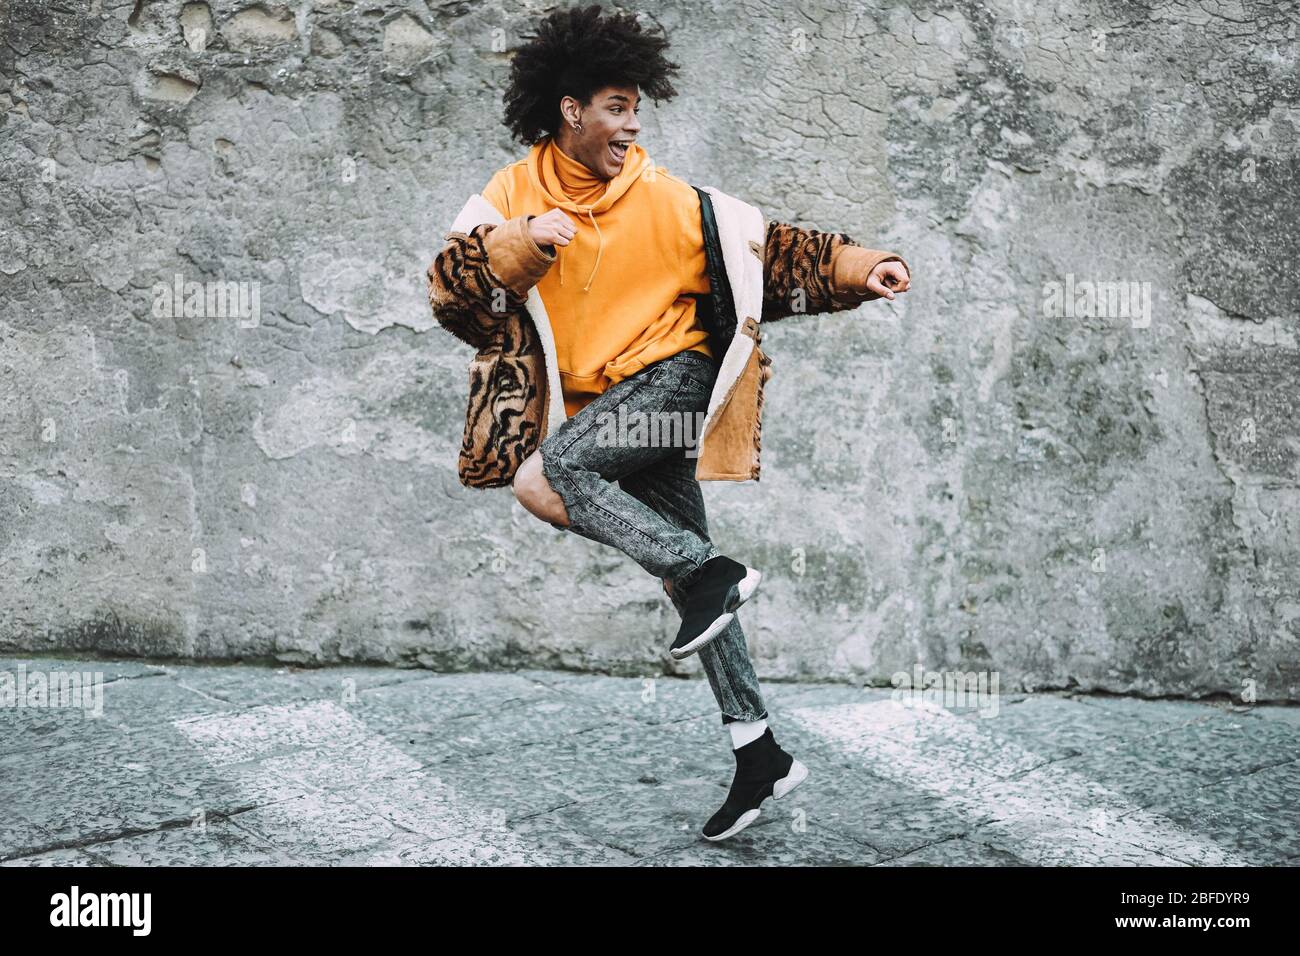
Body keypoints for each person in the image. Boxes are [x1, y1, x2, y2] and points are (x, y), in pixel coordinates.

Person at [427, 4, 911, 842]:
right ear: (570, 109)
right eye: (615, 105)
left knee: (544, 480)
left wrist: (863, 267)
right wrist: (521, 244)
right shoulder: (509, 193)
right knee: (700, 600)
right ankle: (760, 753)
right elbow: (449, 290)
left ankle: (709, 568)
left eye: (636, 106)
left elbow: (776, 250)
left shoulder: (668, 200)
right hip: (607, 411)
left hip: (677, 381)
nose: (631, 122)